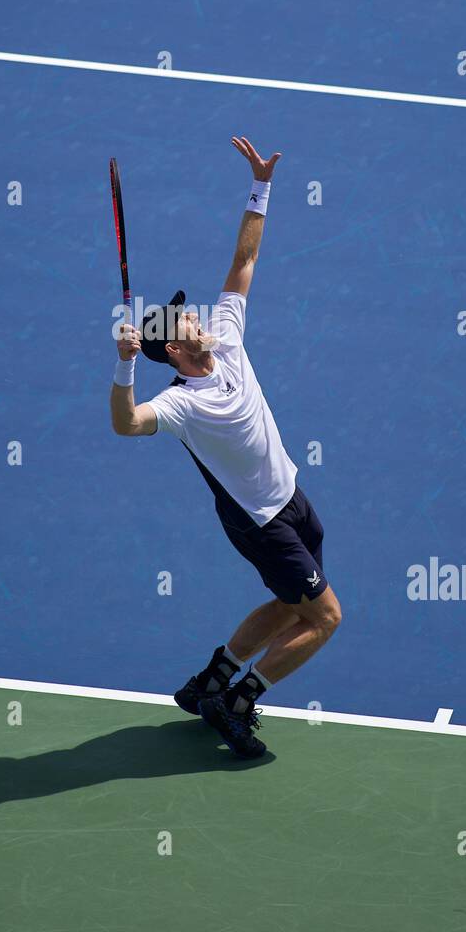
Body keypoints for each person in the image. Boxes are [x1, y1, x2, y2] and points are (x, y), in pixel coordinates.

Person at [110, 137, 341, 759]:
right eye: (186, 320)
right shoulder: (184, 405)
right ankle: (236, 700)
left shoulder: (227, 338)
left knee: (292, 604)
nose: (198, 316)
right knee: (324, 619)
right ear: (177, 352)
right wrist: (126, 365)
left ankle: (210, 679)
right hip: (260, 523)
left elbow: (244, 263)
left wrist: (260, 186)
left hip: (290, 495)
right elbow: (127, 425)